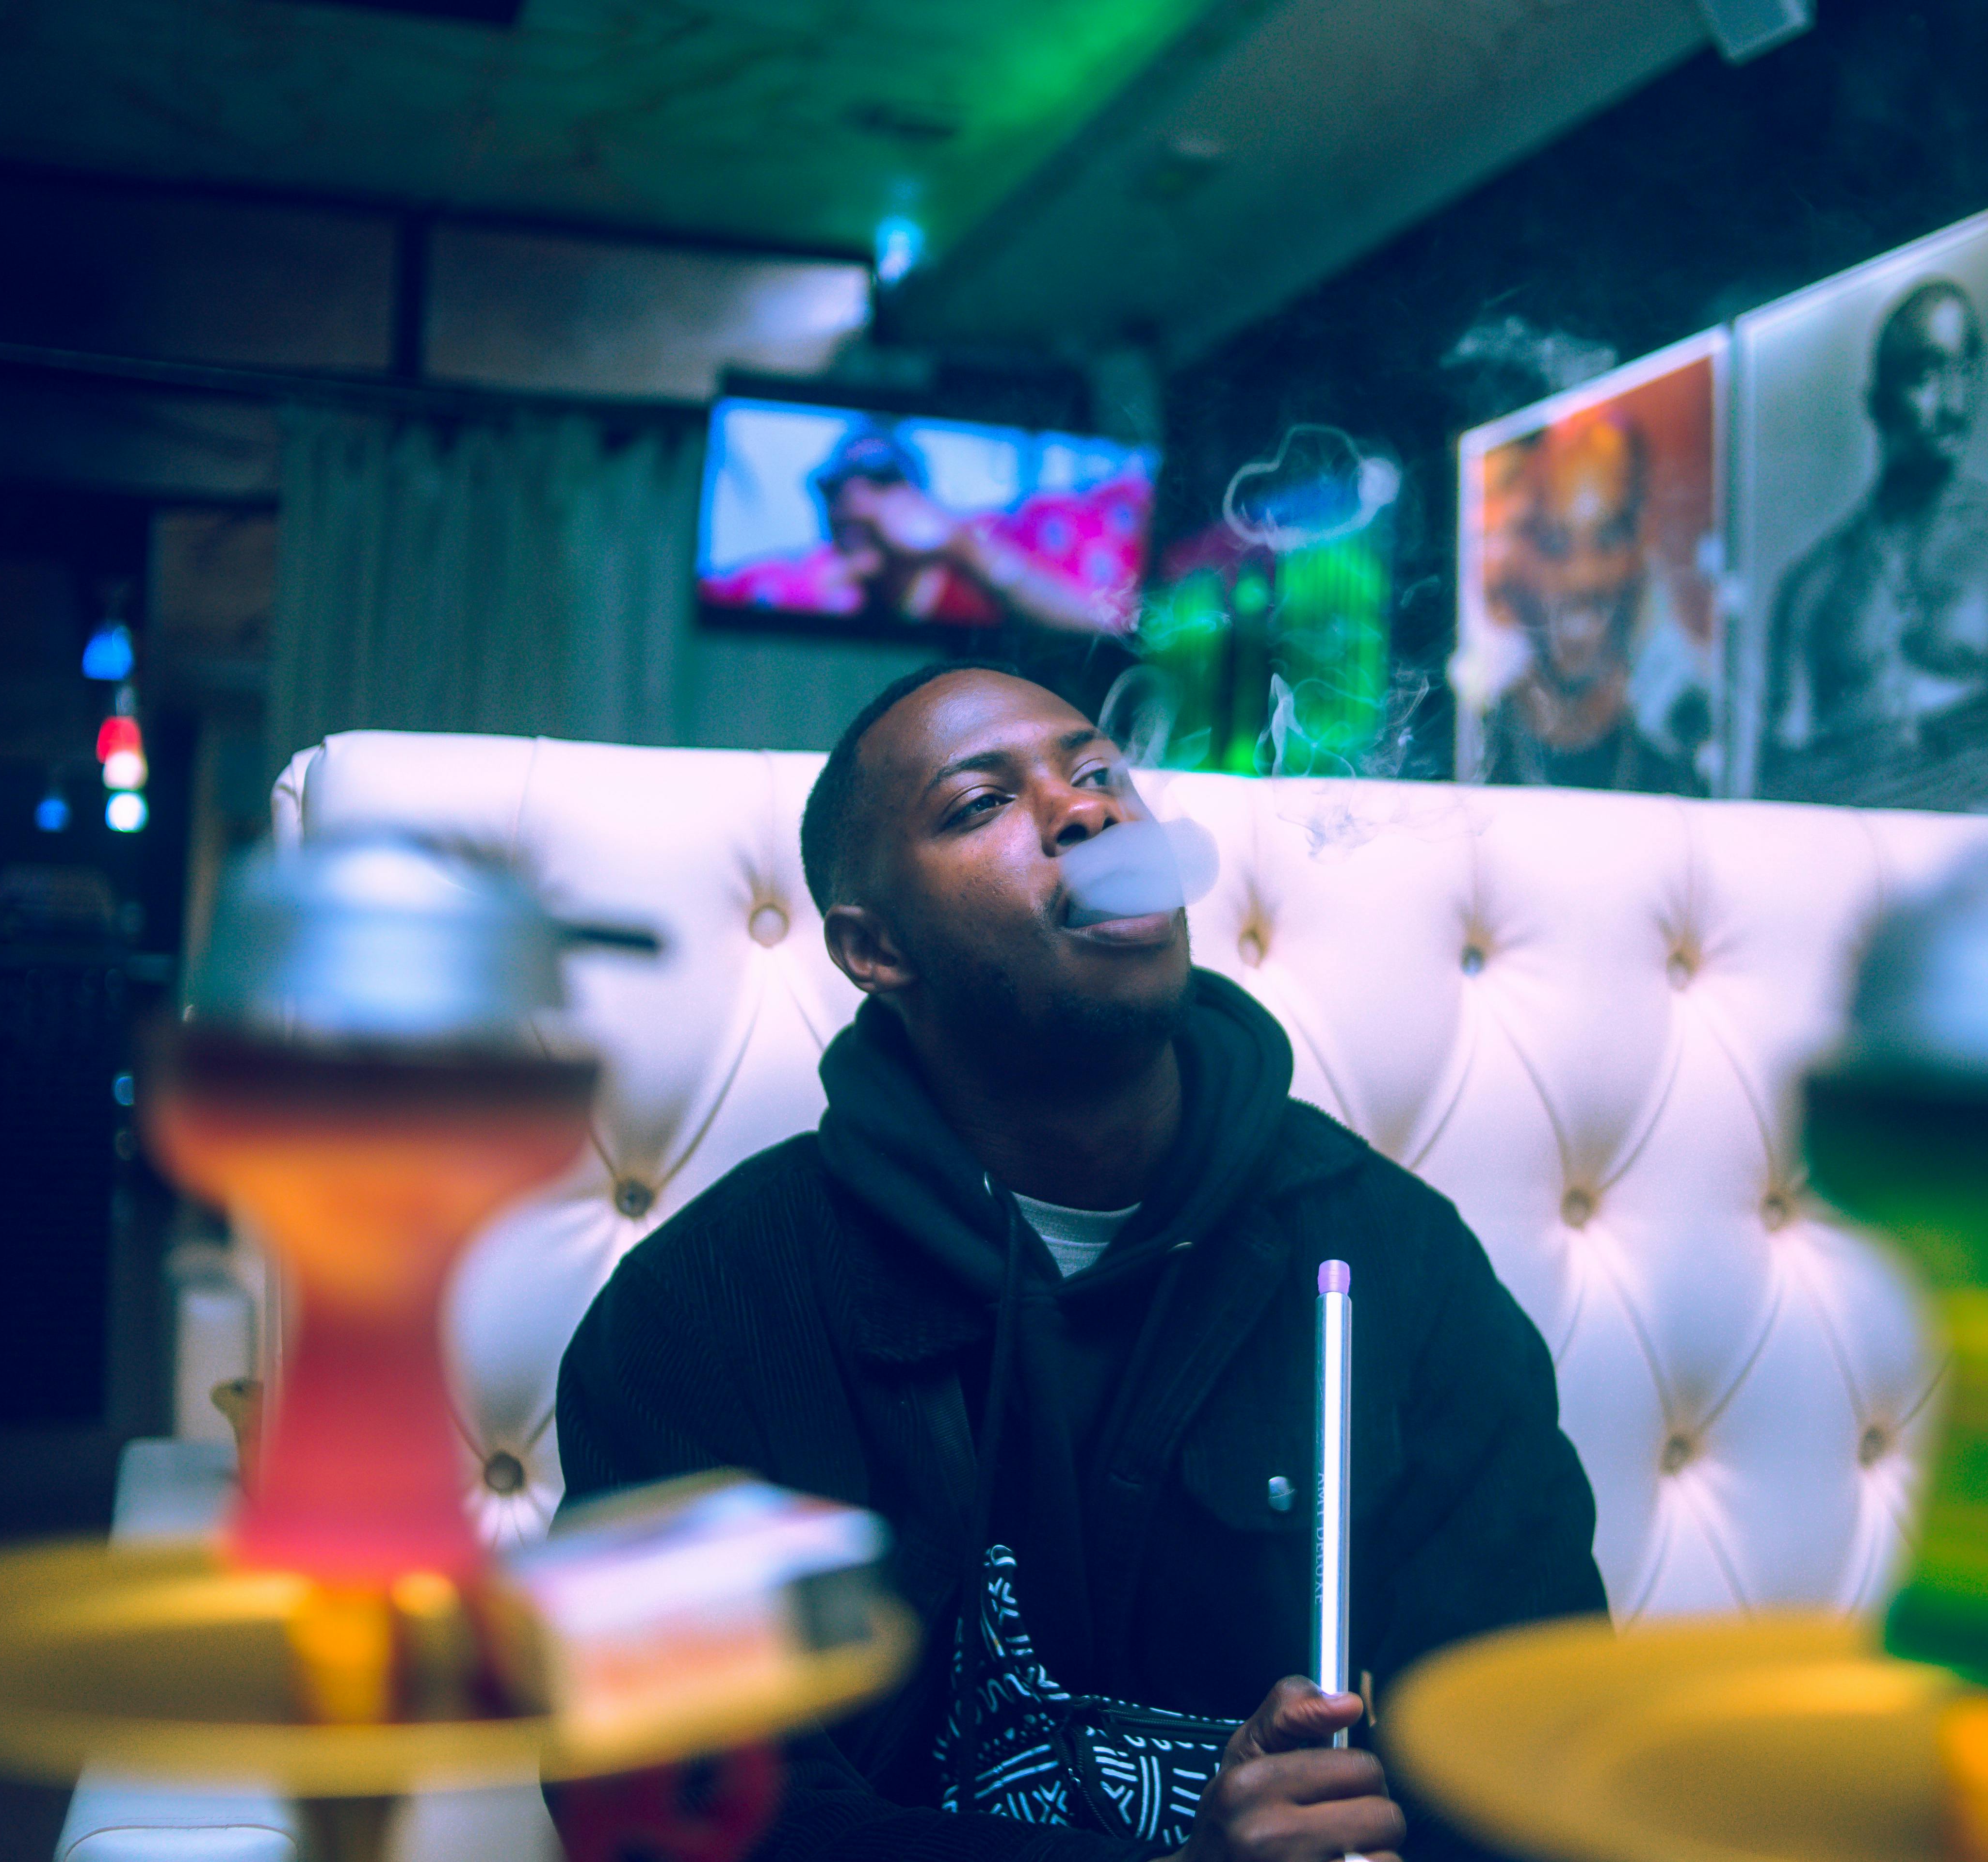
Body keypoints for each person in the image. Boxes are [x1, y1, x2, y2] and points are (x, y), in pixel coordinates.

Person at [557, 664, 1606, 1861]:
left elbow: (1537, 1757)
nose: (1087, 812)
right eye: (977, 804)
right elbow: (657, 1813)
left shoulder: (1390, 1266)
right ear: (874, 947)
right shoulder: (699, 1313)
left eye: (1100, 772)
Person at [1763, 279, 1988, 814]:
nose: (1954, 405)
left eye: (1965, 374)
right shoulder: (1810, 589)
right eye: (1927, 376)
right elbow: (1777, 798)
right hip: (1848, 875)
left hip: (1976, 876)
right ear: (1877, 401)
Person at [706, 428, 1146, 638]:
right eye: (833, 485)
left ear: (920, 497)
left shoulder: (993, 544)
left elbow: (1110, 624)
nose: (853, 498)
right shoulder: (804, 586)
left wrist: (964, 550)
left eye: (879, 477)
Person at [1474, 408, 1711, 794]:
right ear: (1511, 557)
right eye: (1554, 542)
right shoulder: (1467, 746)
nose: (1583, 577)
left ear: (1641, 550)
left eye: (1608, 538)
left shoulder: (1681, 772)